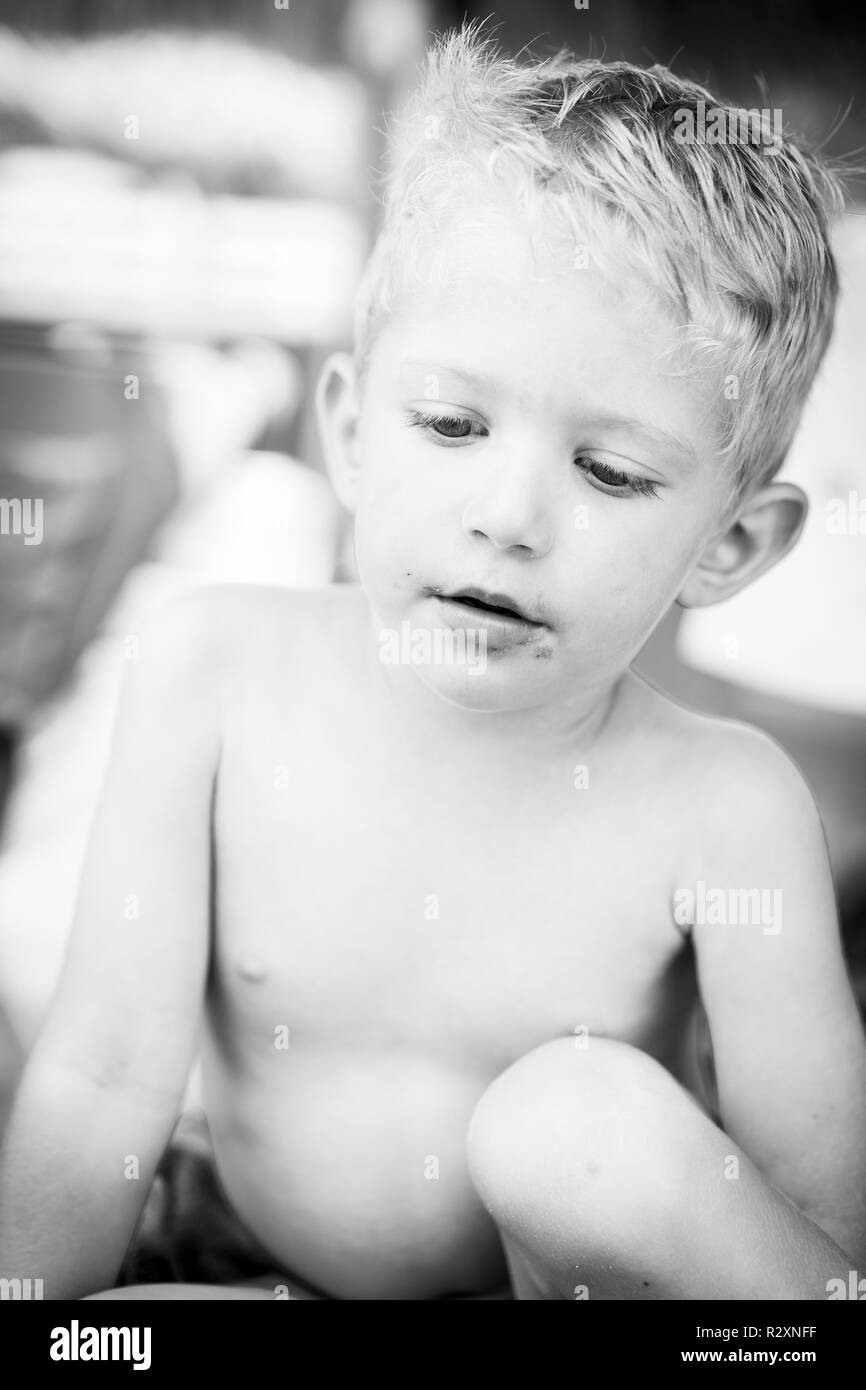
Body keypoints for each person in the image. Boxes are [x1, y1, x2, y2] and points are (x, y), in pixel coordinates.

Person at [2, 21, 864, 1301]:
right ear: (348, 431)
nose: (508, 516)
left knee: (575, 1130)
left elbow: (813, 1250)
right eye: (450, 423)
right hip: (248, 1260)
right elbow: (101, 1079)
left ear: (730, 544)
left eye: (611, 471)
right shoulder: (214, 675)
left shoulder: (729, 811)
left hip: (560, 1282)